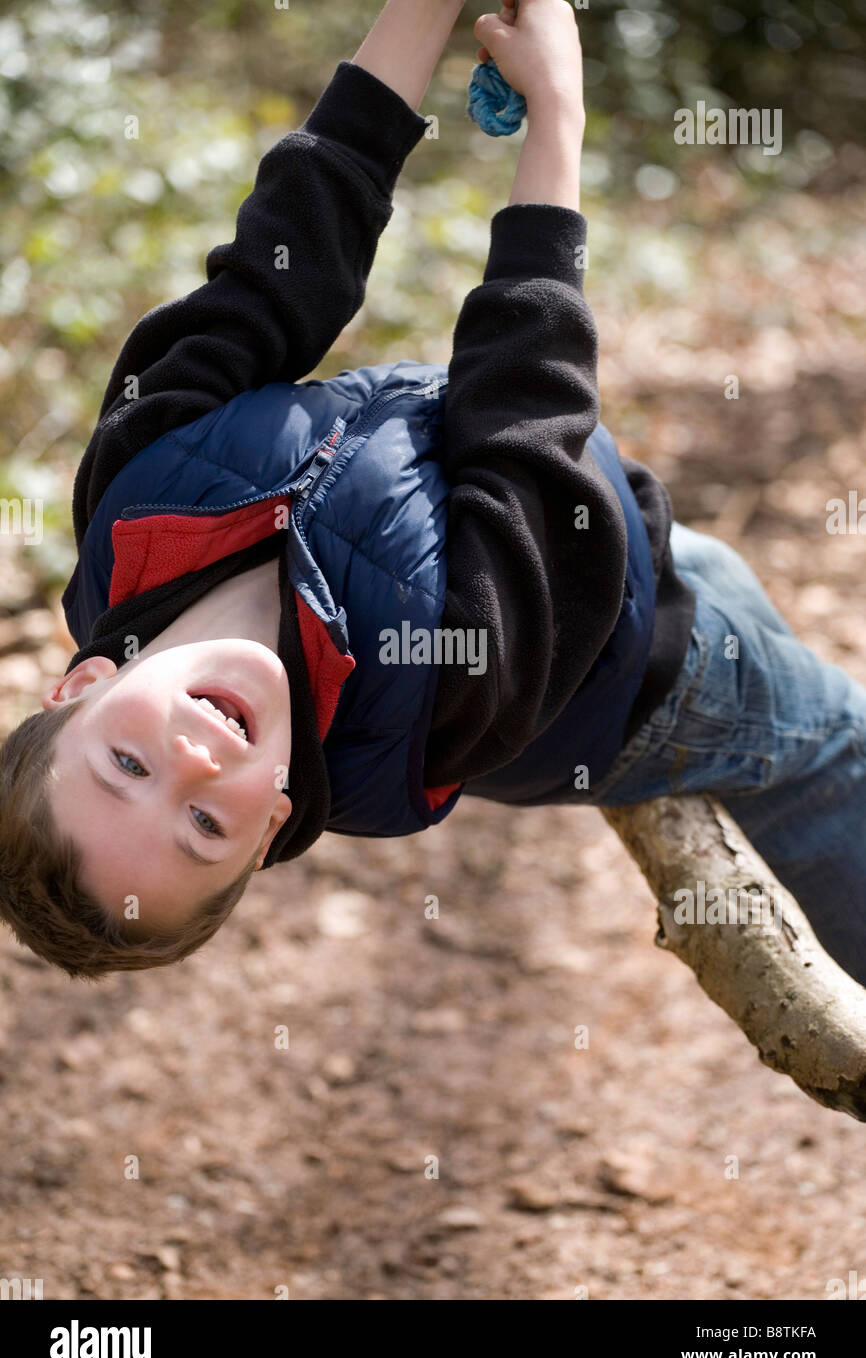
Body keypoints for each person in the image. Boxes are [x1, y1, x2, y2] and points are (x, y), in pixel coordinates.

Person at [2, 0, 864, 987]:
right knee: (829, 752)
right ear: (271, 821)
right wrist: (556, 114)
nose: (192, 763)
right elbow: (523, 412)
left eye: (127, 767)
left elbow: (280, 265)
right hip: (656, 680)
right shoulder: (437, 686)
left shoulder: (135, 492)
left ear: (81, 687)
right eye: (204, 826)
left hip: (627, 558)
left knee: (730, 586)